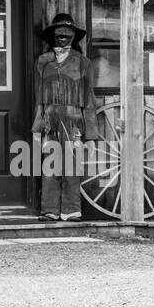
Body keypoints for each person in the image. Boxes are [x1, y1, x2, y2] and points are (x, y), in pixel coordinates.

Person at [31, 13, 101, 221]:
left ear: (74, 36)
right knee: (50, 166)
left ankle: (71, 210)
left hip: (74, 121)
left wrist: (91, 133)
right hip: (49, 120)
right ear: (52, 35)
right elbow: (38, 97)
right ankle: (49, 209)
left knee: (72, 166)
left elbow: (89, 98)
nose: (62, 36)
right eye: (59, 33)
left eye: (67, 33)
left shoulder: (83, 63)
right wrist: (36, 128)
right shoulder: (43, 62)